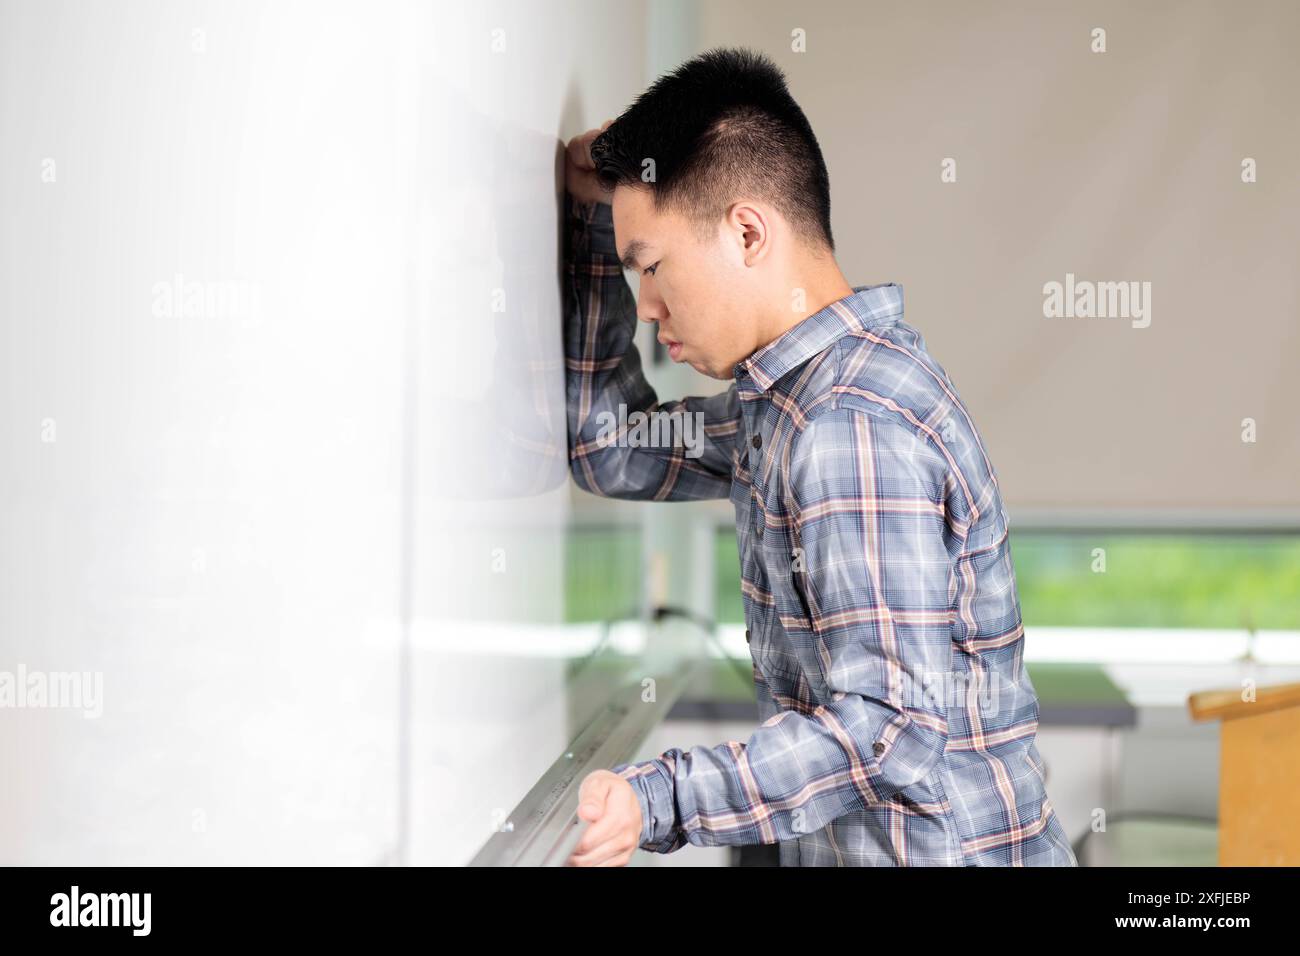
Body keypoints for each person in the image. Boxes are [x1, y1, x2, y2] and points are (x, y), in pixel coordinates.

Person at [562, 47, 1076, 867]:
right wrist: (592, 213)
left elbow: (888, 731)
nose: (648, 308)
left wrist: (658, 795)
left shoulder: (846, 424)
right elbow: (610, 449)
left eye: (651, 268)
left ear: (747, 231)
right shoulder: (788, 407)